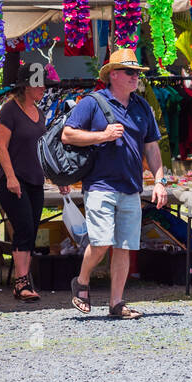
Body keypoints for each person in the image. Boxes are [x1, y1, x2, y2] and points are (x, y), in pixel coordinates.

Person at [61, 47, 169, 318]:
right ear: (114, 75)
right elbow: (67, 135)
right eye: (130, 73)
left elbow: (152, 148)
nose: (136, 78)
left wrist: (159, 181)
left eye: (138, 73)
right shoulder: (92, 102)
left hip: (131, 187)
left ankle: (116, 303)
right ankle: (82, 281)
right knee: (101, 242)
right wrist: (102, 135)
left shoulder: (142, 106)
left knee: (124, 247)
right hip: (99, 185)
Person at [0, 62, 66, 302]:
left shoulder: (40, 112)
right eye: (39, 84)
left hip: (35, 180)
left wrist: (58, 178)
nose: (44, 88)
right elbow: (1, 147)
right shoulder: (9, 111)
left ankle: (23, 281)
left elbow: (43, 149)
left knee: (31, 230)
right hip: (14, 180)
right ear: (26, 86)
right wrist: (11, 177)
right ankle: (22, 282)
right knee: (24, 227)